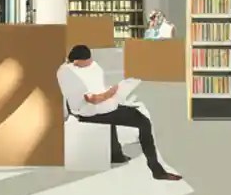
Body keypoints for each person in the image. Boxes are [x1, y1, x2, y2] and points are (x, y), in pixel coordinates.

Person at [56, 44, 182, 181]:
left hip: (97, 108)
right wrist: (111, 93)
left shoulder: (71, 69)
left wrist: (111, 93)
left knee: (117, 113)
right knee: (143, 122)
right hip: (89, 113)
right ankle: (157, 171)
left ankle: (115, 155)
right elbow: (93, 99)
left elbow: (96, 89)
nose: (90, 63)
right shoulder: (71, 74)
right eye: (87, 62)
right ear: (77, 61)